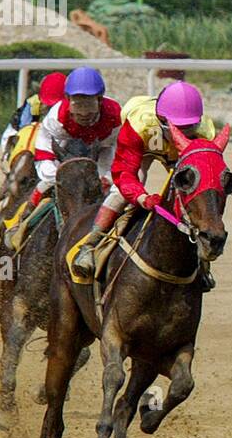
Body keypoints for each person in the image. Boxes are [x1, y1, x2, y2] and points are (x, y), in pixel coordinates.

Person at [71, 81, 218, 286]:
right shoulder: (139, 124)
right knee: (124, 190)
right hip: (145, 144)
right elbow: (124, 173)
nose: (183, 135)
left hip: (180, 156)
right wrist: (143, 197)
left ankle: (201, 262)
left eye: (189, 128)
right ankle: (90, 244)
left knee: (193, 194)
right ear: (161, 120)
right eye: (178, 128)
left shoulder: (205, 133)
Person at [4, 67, 121, 249]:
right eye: (78, 105)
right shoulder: (56, 119)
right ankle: (22, 221)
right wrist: (55, 174)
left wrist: (105, 177)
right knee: (50, 181)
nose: (83, 114)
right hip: (63, 142)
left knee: (110, 185)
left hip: (102, 144)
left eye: (89, 107)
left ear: (100, 100)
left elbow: (111, 150)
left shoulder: (114, 115)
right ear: (67, 100)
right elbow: (44, 150)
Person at [0, 71, 67, 170]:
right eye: (49, 105)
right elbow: (24, 132)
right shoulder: (33, 104)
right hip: (17, 137)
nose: (51, 108)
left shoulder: (70, 108)